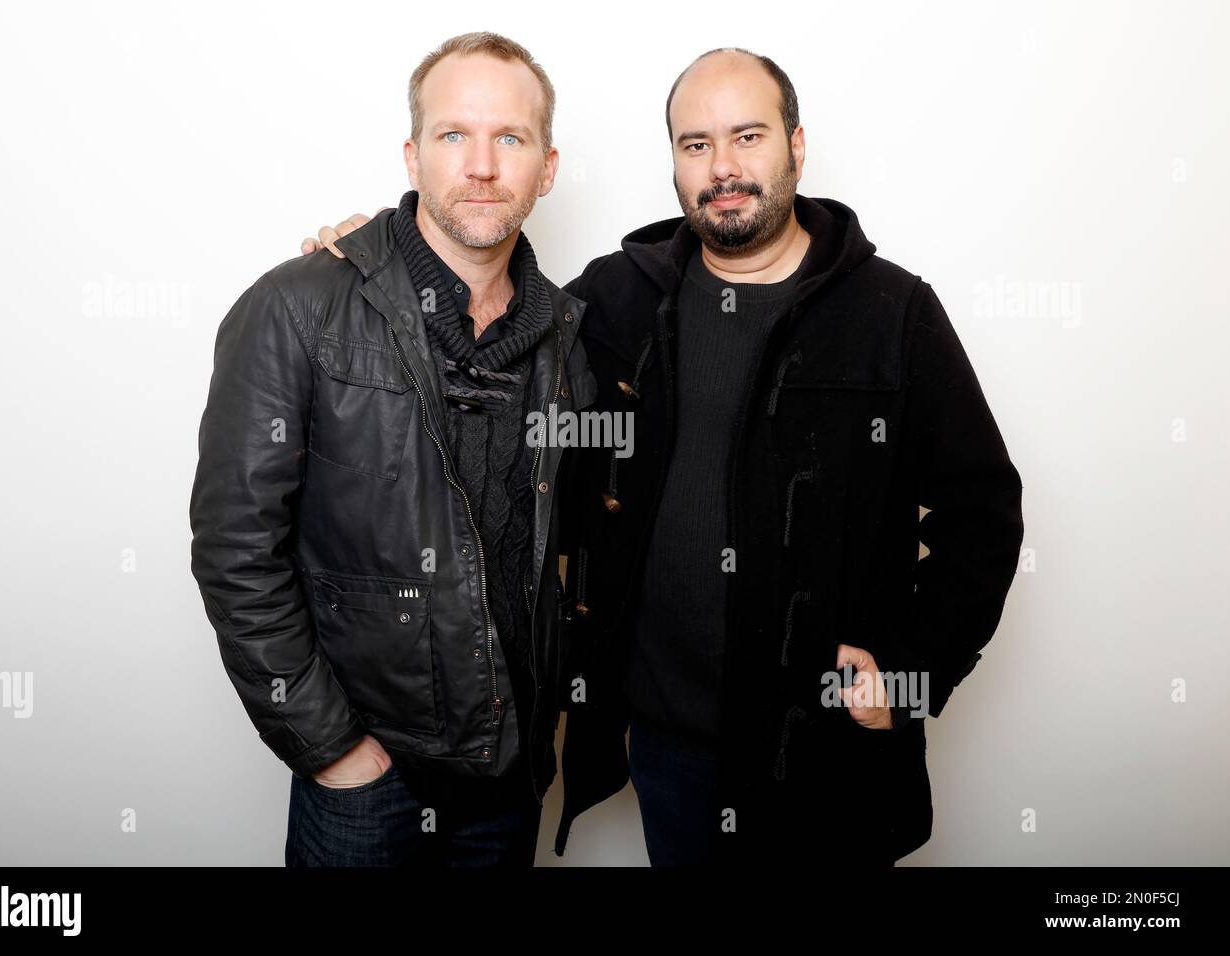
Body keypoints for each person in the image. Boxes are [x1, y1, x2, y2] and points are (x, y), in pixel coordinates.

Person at [302, 47, 1024, 866]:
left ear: (796, 143)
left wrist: (910, 671)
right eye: (695, 144)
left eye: (748, 136)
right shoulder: (613, 297)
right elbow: (479, 355)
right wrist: (381, 261)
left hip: (828, 756)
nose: (723, 167)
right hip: (666, 747)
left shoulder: (893, 311)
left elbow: (984, 514)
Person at [189, 32, 595, 867]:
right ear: (412, 156)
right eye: (454, 135)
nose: (481, 165)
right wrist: (334, 751)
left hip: (508, 775)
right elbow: (236, 550)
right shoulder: (297, 309)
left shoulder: (567, 333)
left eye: (509, 138)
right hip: (367, 790)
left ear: (546, 167)